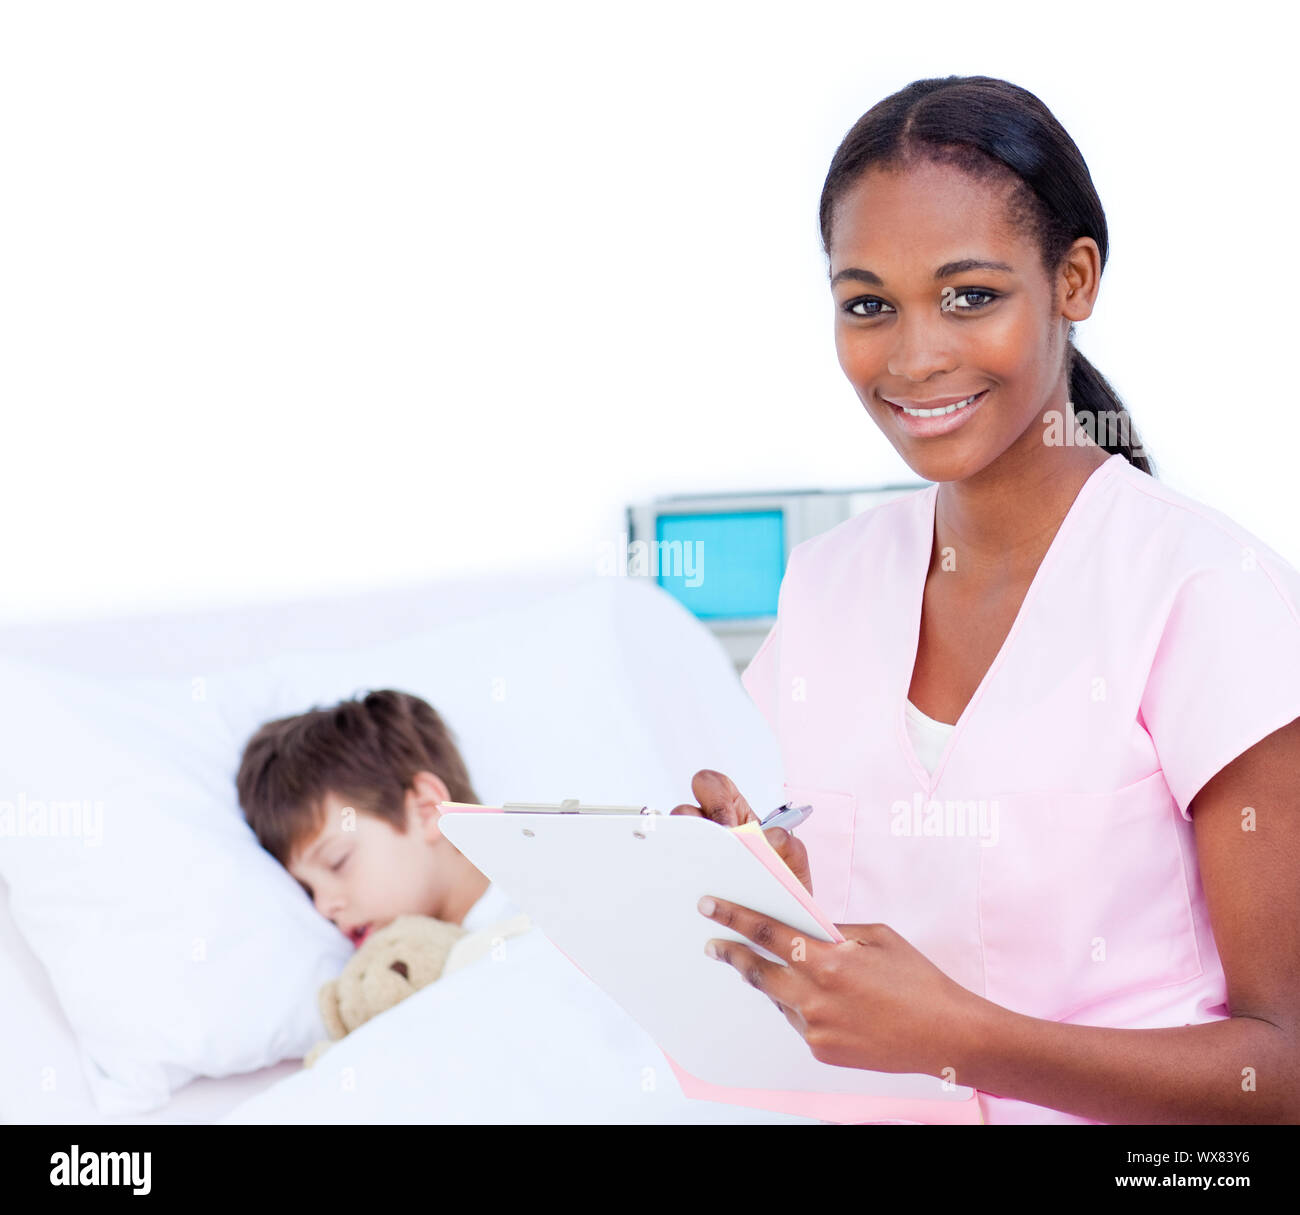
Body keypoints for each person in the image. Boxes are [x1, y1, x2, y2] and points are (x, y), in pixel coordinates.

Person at [674, 75, 1300, 1125]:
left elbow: (1279, 1070)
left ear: (1074, 280)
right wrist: (773, 889)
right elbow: (899, 908)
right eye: (868, 304)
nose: (915, 357)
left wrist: (965, 1041)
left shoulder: (1204, 594)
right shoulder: (827, 586)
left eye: (970, 295)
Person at [236, 689, 516, 948]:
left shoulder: (537, 915)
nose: (323, 908)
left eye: (337, 862)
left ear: (426, 809)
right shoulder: (390, 979)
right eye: (308, 891)